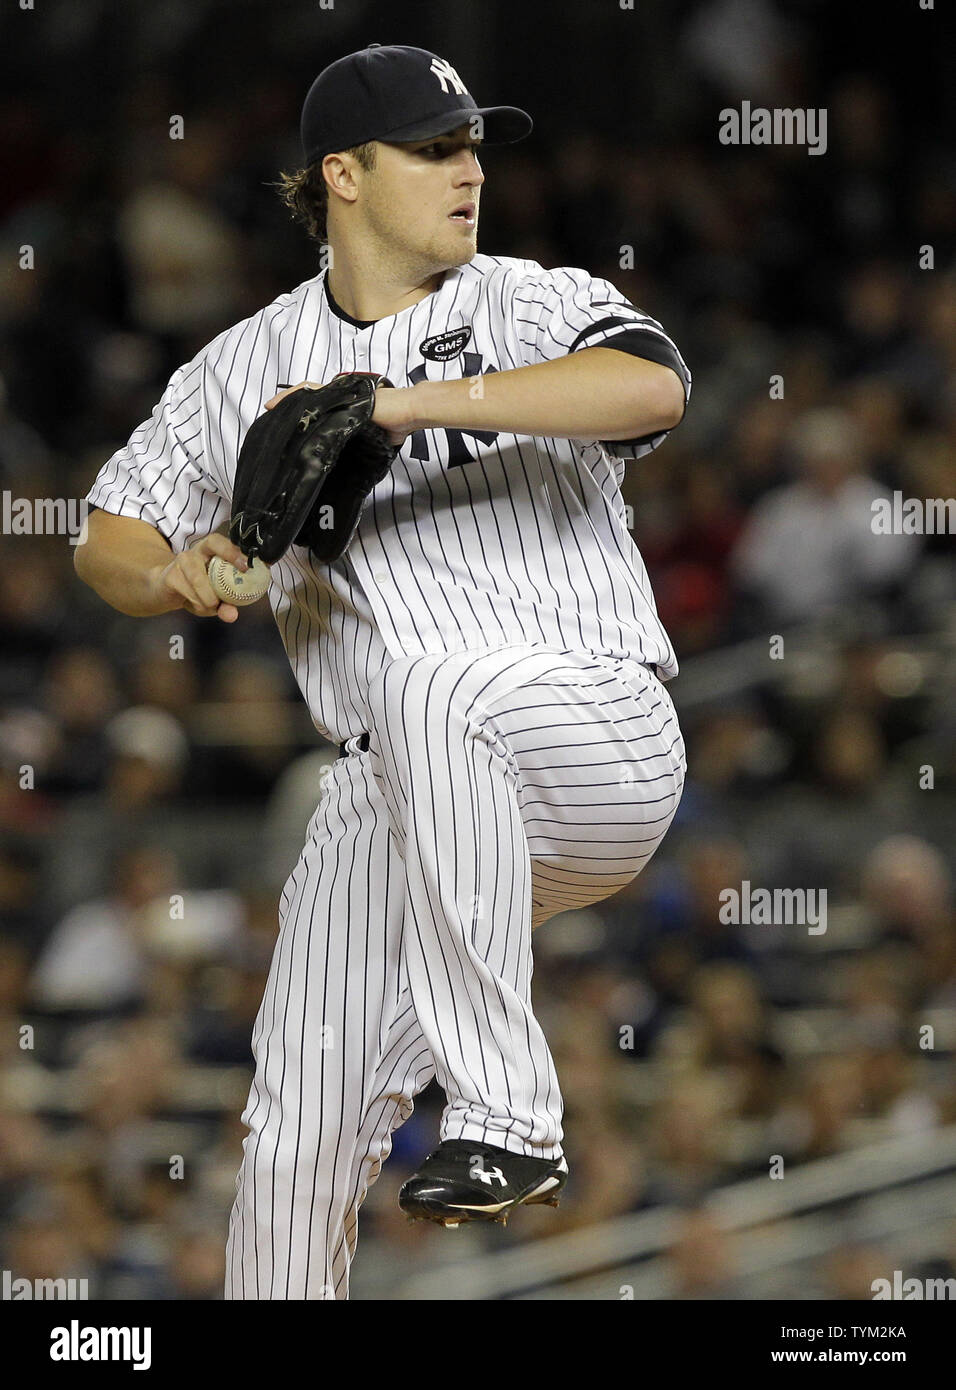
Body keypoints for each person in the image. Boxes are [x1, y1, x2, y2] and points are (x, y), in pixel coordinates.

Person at [75, 43, 690, 1300]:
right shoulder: (240, 366)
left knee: (430, 681)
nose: (469, 170)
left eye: (473, 145)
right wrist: (179, 574)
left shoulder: (524, 300)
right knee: (293, 1140)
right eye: (434, 148)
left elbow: (651, 385)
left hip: (590, 729)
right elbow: (104, 535)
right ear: (341, 176)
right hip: (392, 790)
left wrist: (393, 406)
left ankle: (509, 1117)